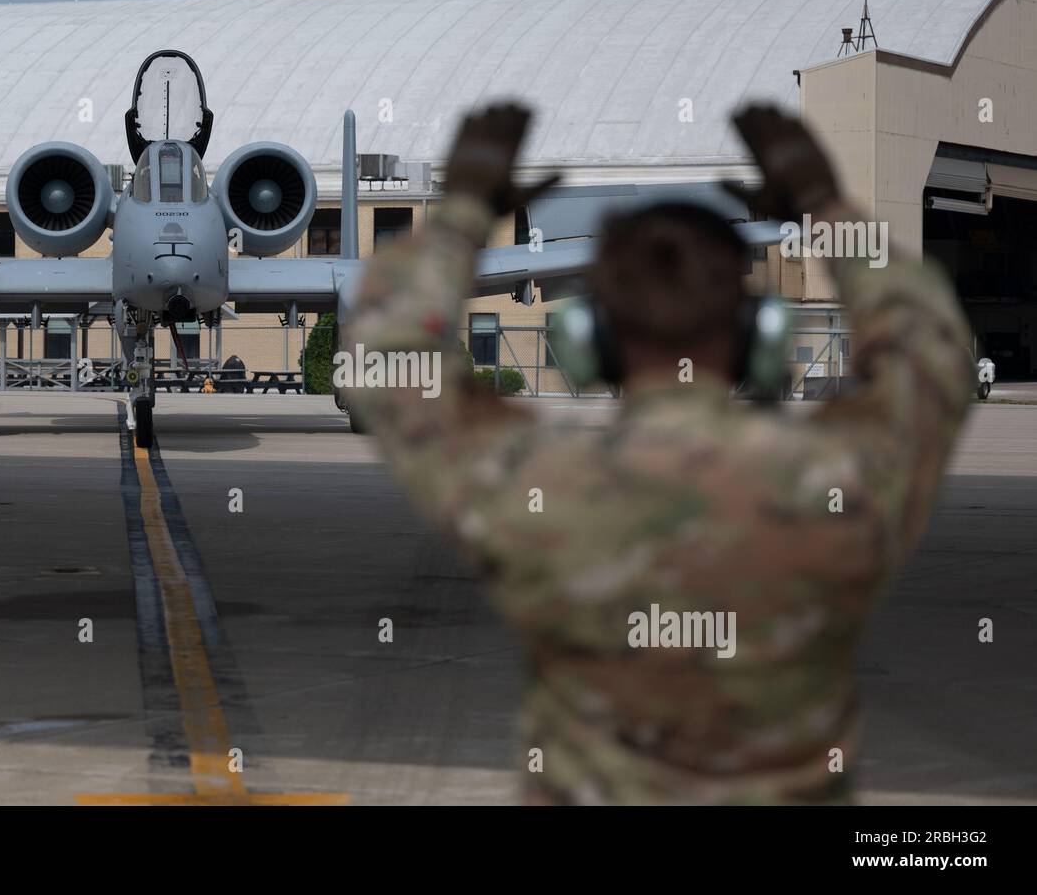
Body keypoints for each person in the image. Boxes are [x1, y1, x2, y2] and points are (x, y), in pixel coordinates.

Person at [345, 102, 972, 804]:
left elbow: (385, 352)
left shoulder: (534, 489)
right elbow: (928, 348)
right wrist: (822, 206)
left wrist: (463, 211)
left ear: (589, 341)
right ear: (759, 335)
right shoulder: (839, 485)